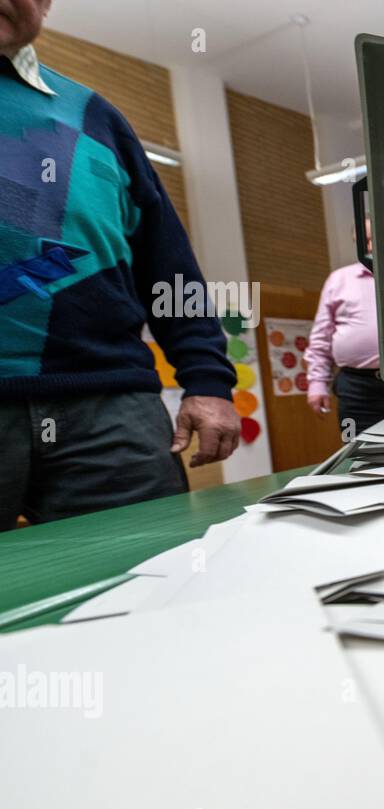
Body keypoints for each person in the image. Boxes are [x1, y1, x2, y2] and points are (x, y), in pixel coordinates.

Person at [0, 0, 240, 529]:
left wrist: (208, 380)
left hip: (112, 408)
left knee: (151, 585)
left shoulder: (96, 115)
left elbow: (167, 262)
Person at [305, 221, 384, 435]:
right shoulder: (338, 279)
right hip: (355, 388)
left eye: (374, 239)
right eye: (365, 240)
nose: (370, 246)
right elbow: (320, 339)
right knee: (354, 449)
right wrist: (317, 383)